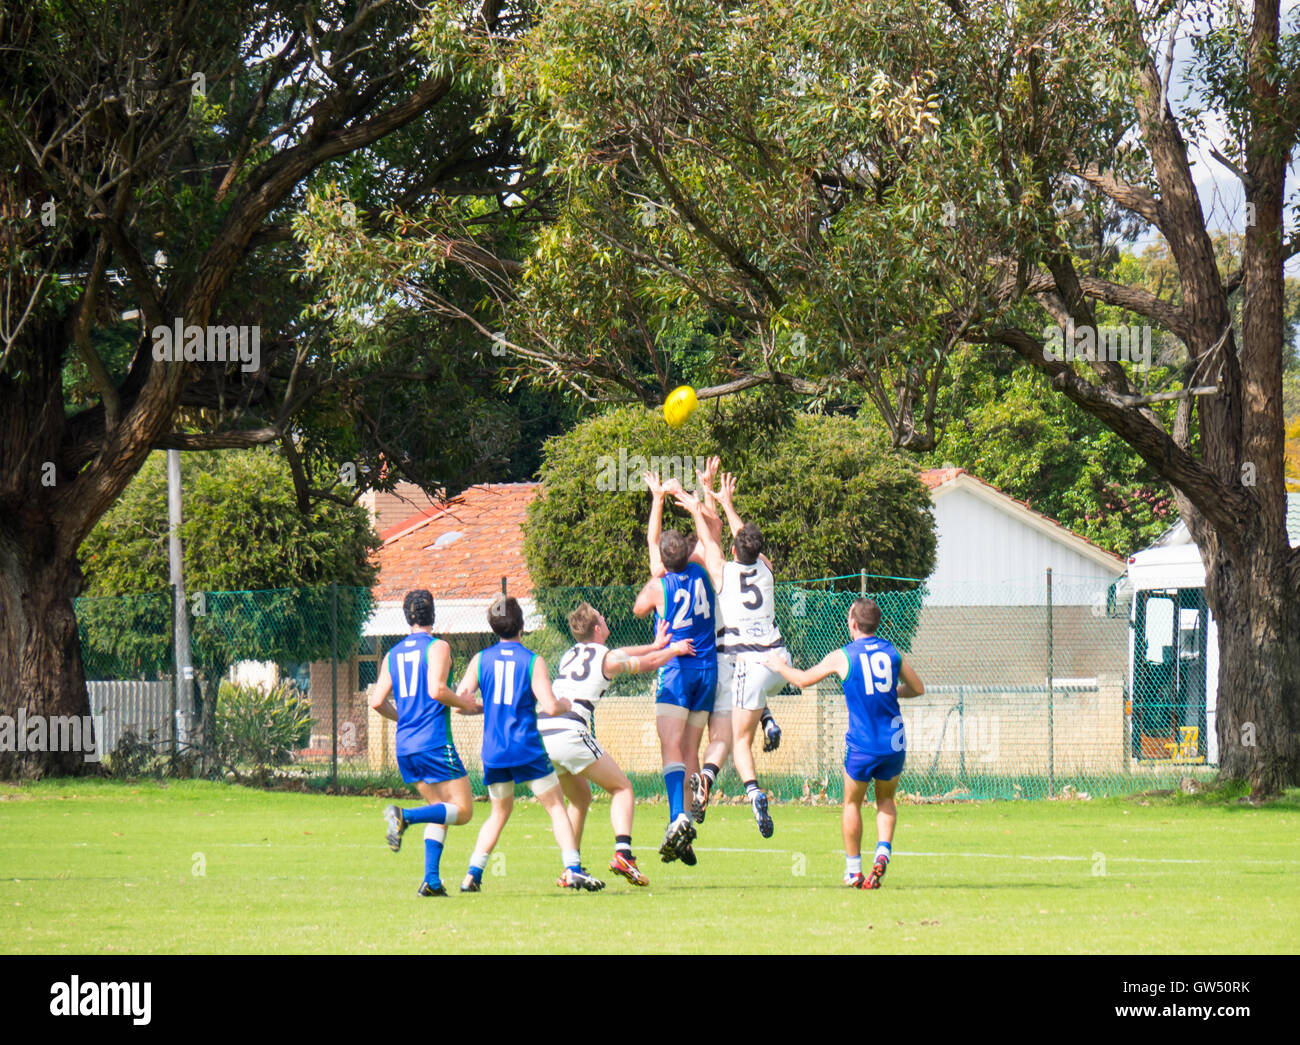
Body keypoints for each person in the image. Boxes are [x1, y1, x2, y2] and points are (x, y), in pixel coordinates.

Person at [764, 598, 925, 889]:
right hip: (894, 742)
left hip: (862, 745)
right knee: (886, 801)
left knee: (852, 803)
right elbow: (918, 688)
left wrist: (778, 666)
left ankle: (853, 871)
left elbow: (803, 680)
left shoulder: (843, 656)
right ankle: (882, 852)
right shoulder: (891, 652)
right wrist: (891, 692)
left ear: (852, 623)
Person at [455, 595, 605, 892]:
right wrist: (565, 704)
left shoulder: (480, 660)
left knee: (499, 812)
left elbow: (460, 703)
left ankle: (472, 874)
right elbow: (550, 706)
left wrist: (487, 707)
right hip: (525, 748)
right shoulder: (532, 661)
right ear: (521, 625)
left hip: (495, 751)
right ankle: (573, 869)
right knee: (556, 806)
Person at [542, 606, 694, 886]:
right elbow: (646, 664)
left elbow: (619, 653)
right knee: (622, 788)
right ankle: (624, 854)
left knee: (580, 798)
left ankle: (571, 868)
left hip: (543, 733)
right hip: (569, 731)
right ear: (597, 628)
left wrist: (654, 645)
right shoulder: (607, 658)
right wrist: (674, 650)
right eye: (601, 617)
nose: (605, 618)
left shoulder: (570, 655)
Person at [691, 470, 790, 838]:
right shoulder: (767, 569)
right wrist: (726, 502)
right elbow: (743, 540)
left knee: (736, 741)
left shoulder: (720, 572)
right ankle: (768, 719)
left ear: (732, 550)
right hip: (779, 659)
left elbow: (709, 539)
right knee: (748, 706)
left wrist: (699, 501)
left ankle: (749, 792)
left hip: (738, 661)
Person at [633, 473, 725, 865]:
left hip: (676, 669)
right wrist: (696, 500)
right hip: (708, 669)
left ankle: (678, 818)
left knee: (669, 745)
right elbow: (712, 536)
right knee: (689, 750)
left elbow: (639, 608)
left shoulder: (661, 583)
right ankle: (685, 830)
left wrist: (657, 498)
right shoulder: (702, 567)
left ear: (663, 560)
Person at [369, 589, 483, 897]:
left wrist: (404, 717)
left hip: (406, 747)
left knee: (440, 810)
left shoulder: (392, 654)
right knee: (463, 811)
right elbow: (436, 690)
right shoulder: (438, 647)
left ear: (407, 617)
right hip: (434, 743)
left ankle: (431, 881)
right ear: (433, 614)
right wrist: (464, 702)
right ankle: (404, 816)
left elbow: (377, 701)